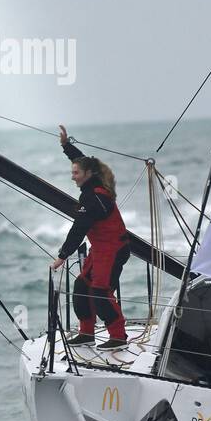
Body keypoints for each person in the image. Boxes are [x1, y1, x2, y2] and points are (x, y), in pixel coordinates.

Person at [51, 125, 131, 349]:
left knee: (100, 291)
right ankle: (86, 333)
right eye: (72, 172)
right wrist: (66, 146)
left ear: (87, 175)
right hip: (100, 249)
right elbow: (82, 160)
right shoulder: (91, 180)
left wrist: (62, 256)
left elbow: (79, 229)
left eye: (76, 174)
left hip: (114, 249)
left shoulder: (95, 199)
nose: (73, 177)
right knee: (81, 287)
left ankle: (118, 337)